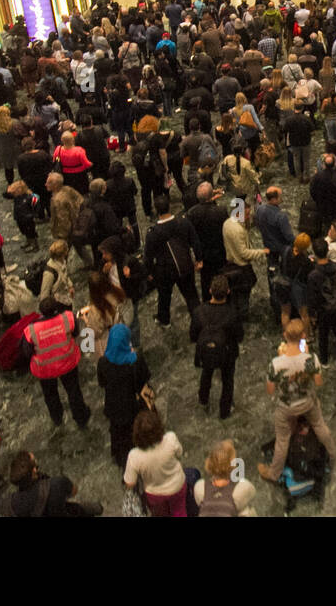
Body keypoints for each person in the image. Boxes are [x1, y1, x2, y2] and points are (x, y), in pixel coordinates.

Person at [259, 319, 336, 483]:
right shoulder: (311, 359)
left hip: (286, 408)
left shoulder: (276, 364)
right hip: (307, 402)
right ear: (303, 336)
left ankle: (273, 474)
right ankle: (333, 453)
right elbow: (318, 383)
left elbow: (270, 391)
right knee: (319, 425)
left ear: (285, 336)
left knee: (282, 439)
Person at [24, 296, 90, 429]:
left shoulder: (31, 329)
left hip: (45, 369)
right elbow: (76, 333)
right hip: (67, 362)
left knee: (50, 395)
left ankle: (57, 418)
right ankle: (81, 417)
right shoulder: (67, 317)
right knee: (74, 391)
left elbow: (26, 352)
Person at [96, 324, 150, 469]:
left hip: (113, 405)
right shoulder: (136, 360)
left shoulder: (103, 362)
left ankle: (119, 457)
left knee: (116, 432)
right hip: (132, 405)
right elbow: (144, 379)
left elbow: (102, 383)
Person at [189, 275, 244, 419]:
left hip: (206, 351)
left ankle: (203, 399)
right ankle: (225, 411)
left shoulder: (199, 311)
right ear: (228, 292)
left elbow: (193, 336)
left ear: (210, 291)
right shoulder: (232, 313)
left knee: (206, 374)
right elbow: (239, 336)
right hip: (227, 353)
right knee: (227, 381)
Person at [145, 193, 202, 326]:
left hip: (164, 271)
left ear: (156, 210)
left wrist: (148, 273)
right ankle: (199, 321)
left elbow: (148, 257)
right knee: (192, 295)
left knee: (164, 297)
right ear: (169, 206)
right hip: (185, 264)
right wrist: (199, 259)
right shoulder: (183, 221)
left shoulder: (152, 233)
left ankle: (164, 320)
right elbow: (195, 241)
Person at [123, 409, 189, 517]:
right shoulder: (171, 438)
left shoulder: (134, 456)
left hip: (155, 494)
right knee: (180, 511)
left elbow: (130, 483)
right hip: (177, 486)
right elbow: (179, 454)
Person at [2, 450, 102, 517]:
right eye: (36, 464)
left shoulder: (10, 504)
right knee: (96, 508)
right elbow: (74, 491)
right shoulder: (57, 483)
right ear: (34, 471)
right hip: (66, 511)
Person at [308, 238, 336, 374]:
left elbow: (312, 298)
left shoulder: (314, 275)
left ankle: (324, 361)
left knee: (323, 334)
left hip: (324, 309)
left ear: (314, 254)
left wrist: (312, 315)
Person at [194, 439, 257, 516]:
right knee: (247, 510)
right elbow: (252, 493)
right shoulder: (240, 490)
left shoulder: (200, 487)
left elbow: (199, 502)